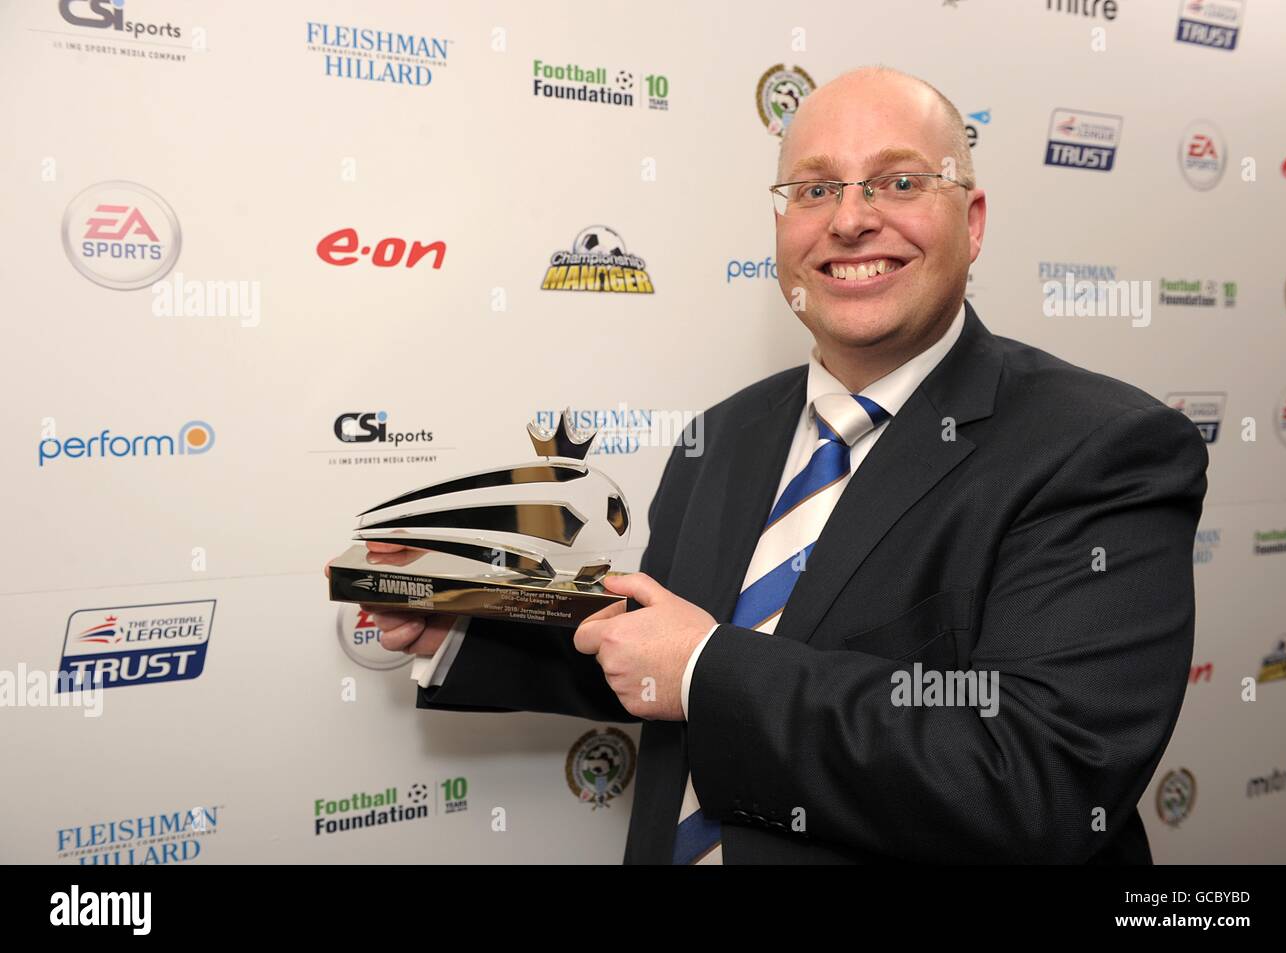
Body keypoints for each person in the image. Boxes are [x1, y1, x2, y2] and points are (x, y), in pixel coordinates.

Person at [339, 66, 1208, 864]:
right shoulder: (721, 434)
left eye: (900, 182)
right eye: (815, 187)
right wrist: (462, 617)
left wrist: (705, 667)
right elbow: (657, 657)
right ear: (782, 226)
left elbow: (1039, 777)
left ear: (971, 222)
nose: (851, 217)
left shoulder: (1102, 446)